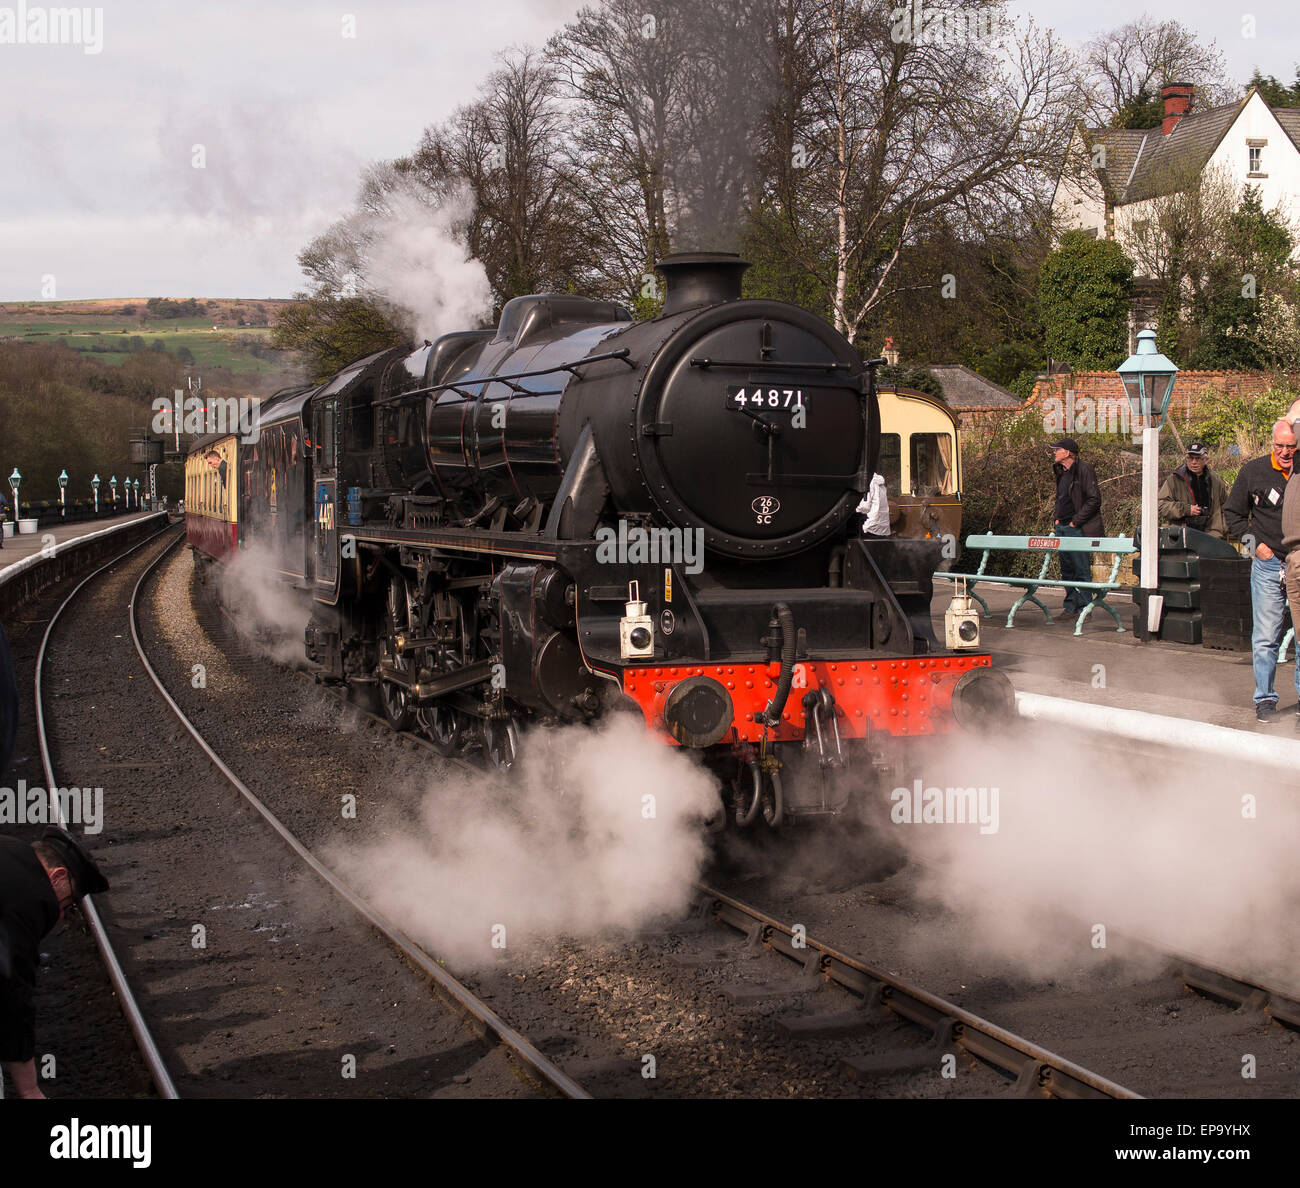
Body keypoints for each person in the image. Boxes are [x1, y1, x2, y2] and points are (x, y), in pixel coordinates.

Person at [0, 827, 110, 1099]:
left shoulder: (9, 848)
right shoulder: (28, 898)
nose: (60, 916)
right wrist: (29, 1088)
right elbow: (12, 991)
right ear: (58, 876)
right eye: (69, 903)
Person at [1224, 420, 1297, 721]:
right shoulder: (1253, 472)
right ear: (1271, 443)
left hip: (1299, 560)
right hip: (1268, 562)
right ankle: (1264, 700)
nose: (1285, 452)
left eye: (1291, 447)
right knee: (1266, 636)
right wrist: (1256, 546)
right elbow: (1232, 515)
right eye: (1279, 446)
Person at [1050, 437, 1103, 615]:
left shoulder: (1084, 470)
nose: (1054, 453)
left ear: (1067, 452)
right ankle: (1070, 607)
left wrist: (1075, 521)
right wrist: (1057, 519)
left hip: (1077, 528)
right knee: (1067, 570)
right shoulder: (1061, 471)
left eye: (1057, 450)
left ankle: (1084, 608)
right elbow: (1061, 498)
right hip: (1062, 527)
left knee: (1081, 570)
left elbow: (1094, 499)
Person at [1158, 441, 1228, 539]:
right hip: (1181, 536)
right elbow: (1161, 505)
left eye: (1198, 458)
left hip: (1211, 536)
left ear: (1206, 460)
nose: (1194, 462)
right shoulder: (1175, 479)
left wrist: (1222, 527)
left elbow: (1227, 508)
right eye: (1190, 458)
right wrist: (1186, 510)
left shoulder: (1216, 481)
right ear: (1186, 459)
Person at [856, 472, 891, 537]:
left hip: (871, 525)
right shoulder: (880, 484)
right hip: (884, 528)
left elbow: (865, 507)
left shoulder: (869, 483)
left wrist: (855, 509)